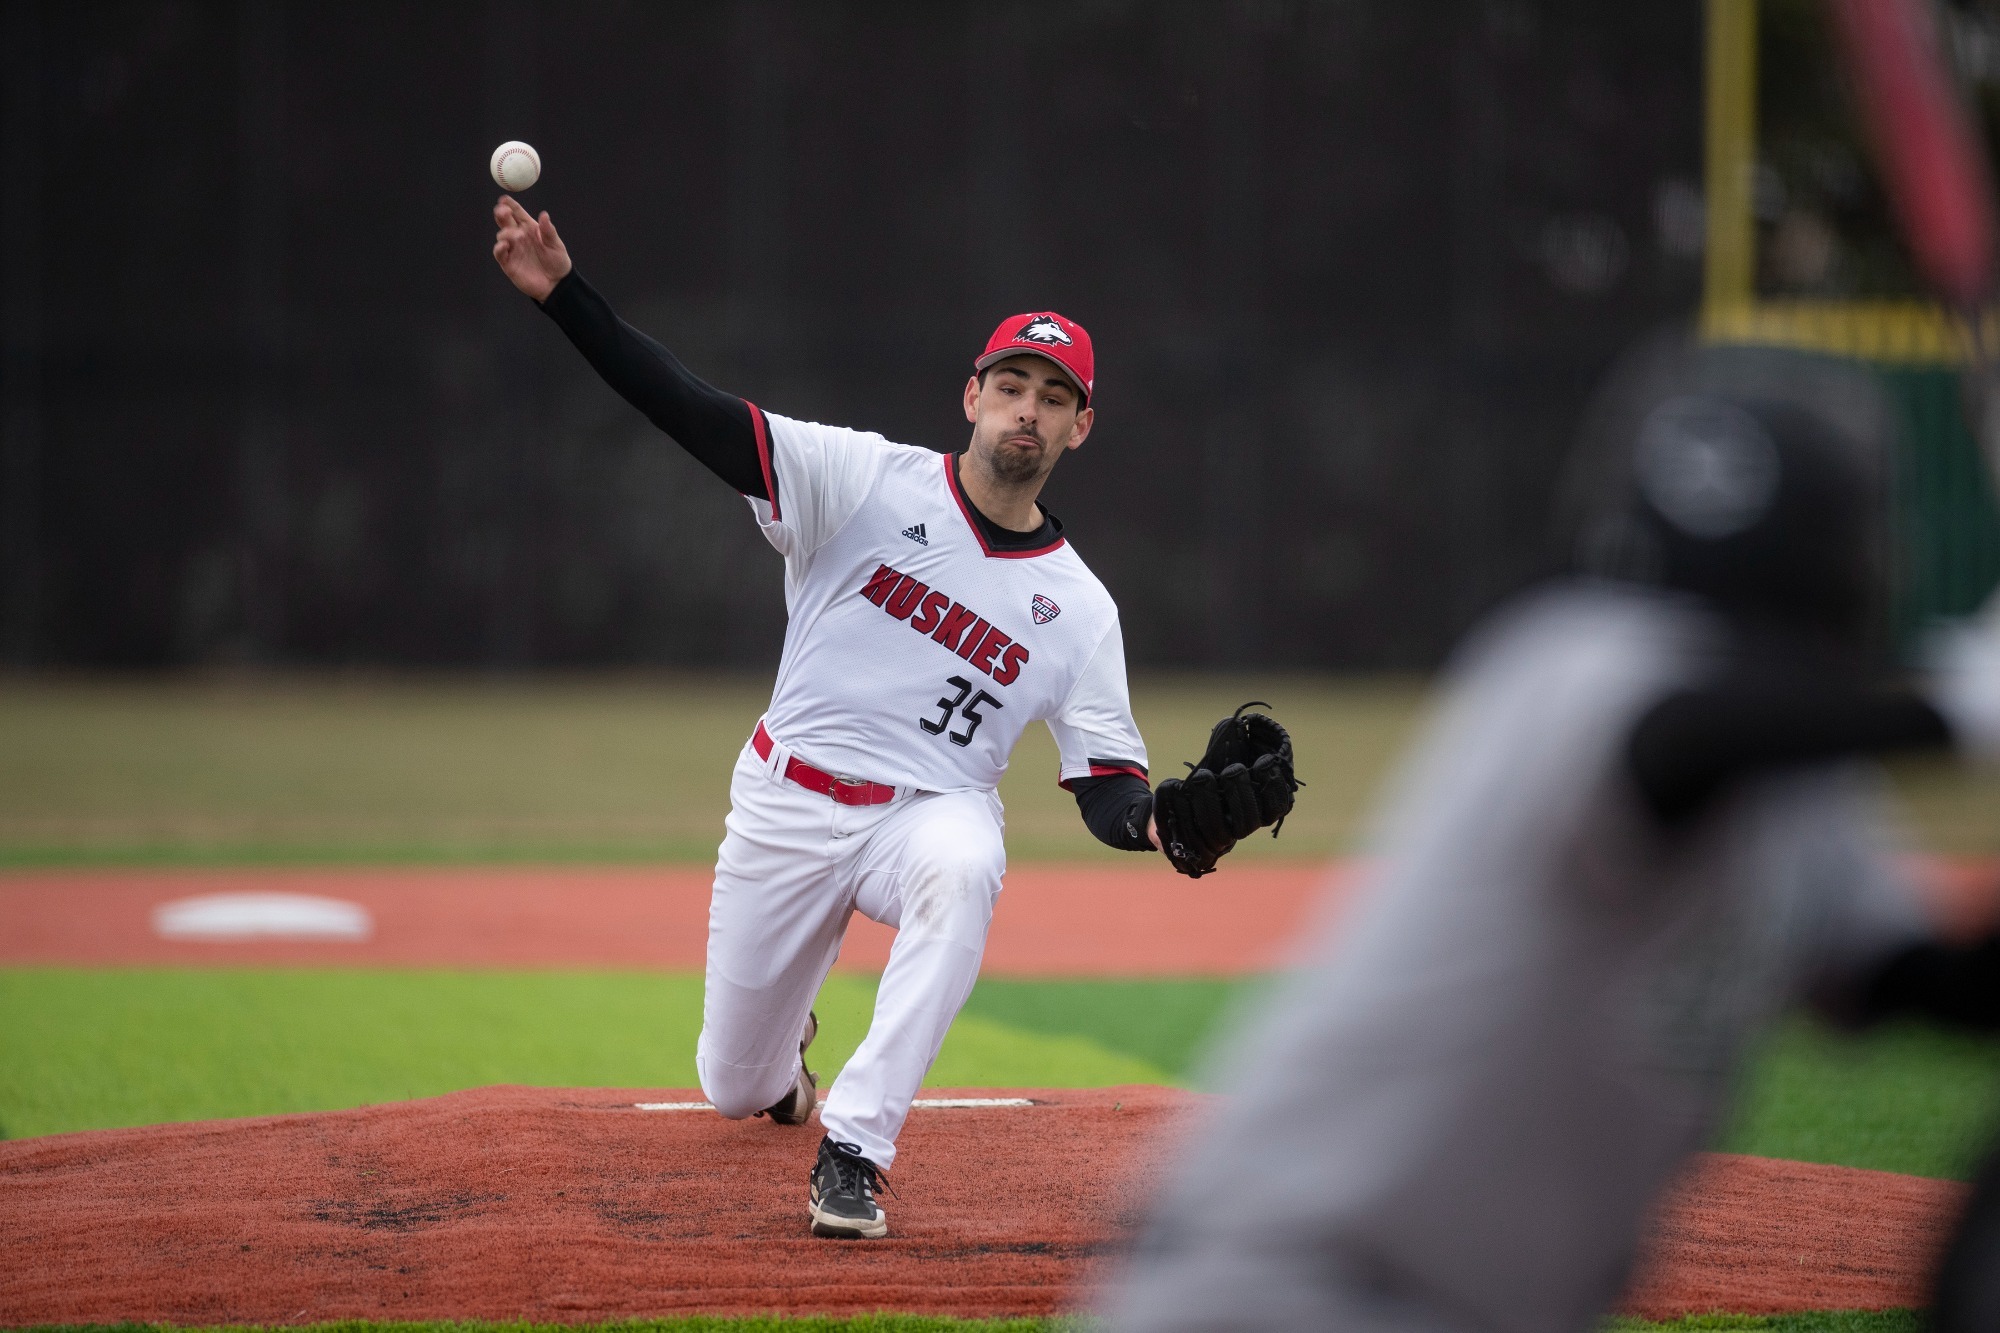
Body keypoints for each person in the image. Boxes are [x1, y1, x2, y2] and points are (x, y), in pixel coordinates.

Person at [1102, 339, 2000, 1331]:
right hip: (1281, 1290)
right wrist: (1960, 706)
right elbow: (1673, 745)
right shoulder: (1580, 661)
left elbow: (1922, 985)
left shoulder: (1802, 797)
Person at [490, 194, 1165, 1239]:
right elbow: (694, 411)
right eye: (1011, 385)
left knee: (964, 863)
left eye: (1052, 396)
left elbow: (1108, 788)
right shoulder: (861, 479)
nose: (1026, 409)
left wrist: (1170, 822)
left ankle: (853, 1147)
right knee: (729, 1083)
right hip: (786, 805)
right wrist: (568, 302)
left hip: (923, 818)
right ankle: (786, 1072)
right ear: (971, 397)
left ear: (1081, 425)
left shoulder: (1078, 608)